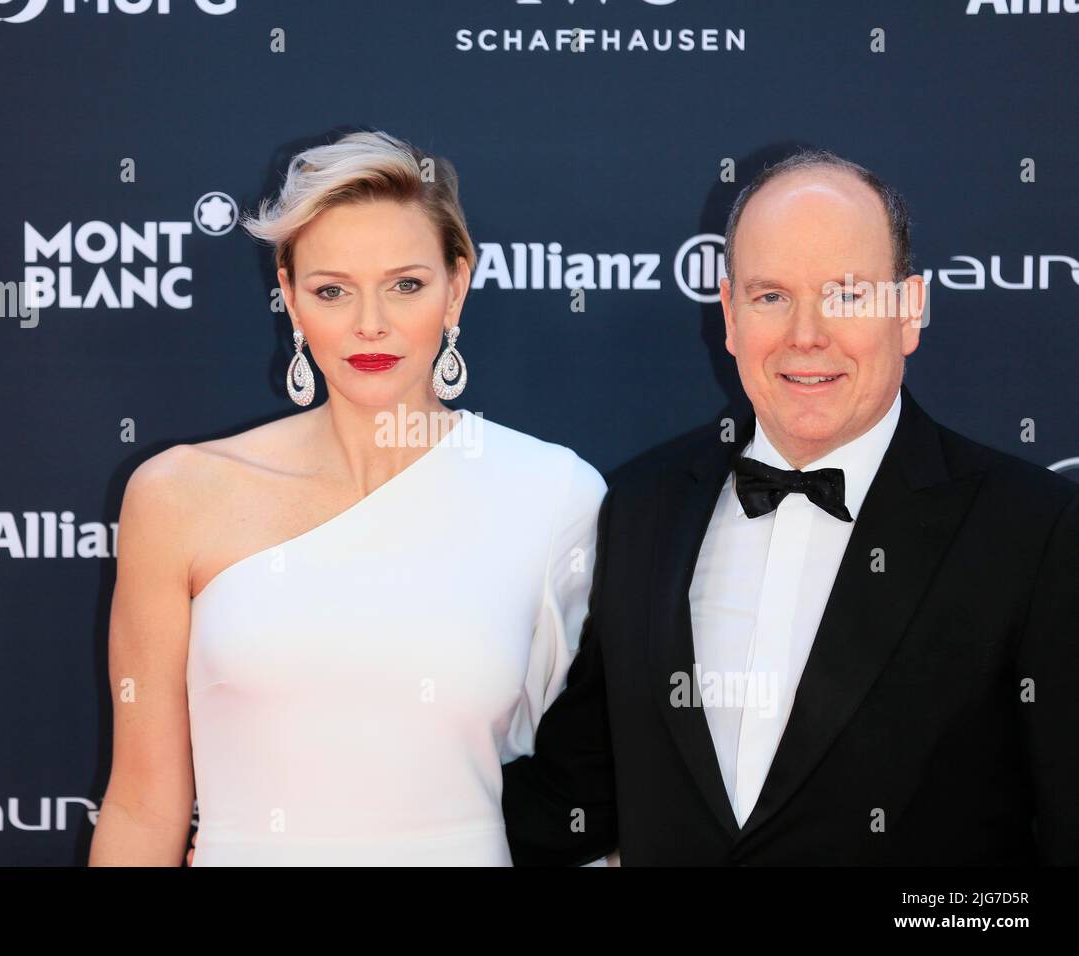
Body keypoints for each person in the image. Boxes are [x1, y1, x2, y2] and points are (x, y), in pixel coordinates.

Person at [502, 149, 1079, 865]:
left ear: (910, 310)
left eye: (845, 294)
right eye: (771, 296)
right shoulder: (642, 511)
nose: (806, 335)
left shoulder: (1036, 532)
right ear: (731, 316)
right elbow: (577, 800)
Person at [88, 130, 607, 866]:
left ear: (456, 288)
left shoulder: (555, 494)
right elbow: (142, 807)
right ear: (291, 298)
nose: (371, 323)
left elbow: (593, 785)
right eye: (333, 289)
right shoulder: (177, 496)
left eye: (406, 284)